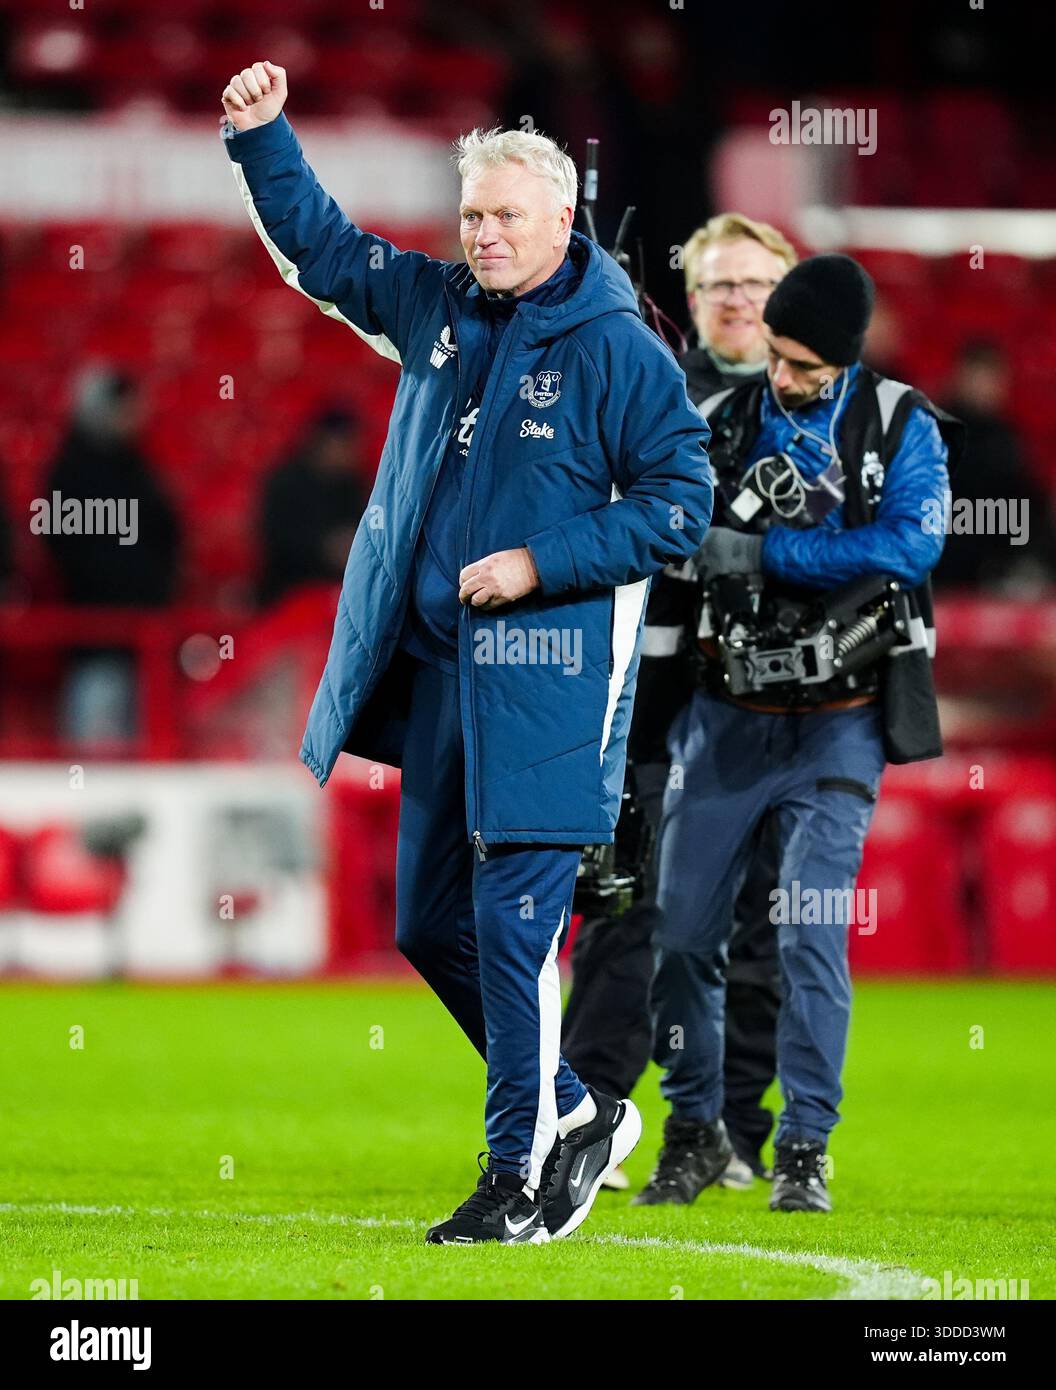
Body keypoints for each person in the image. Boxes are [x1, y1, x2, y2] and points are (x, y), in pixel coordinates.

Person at [220, 61, 713, 1245]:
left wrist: (542, 563)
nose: (484, 234)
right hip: (440, 680)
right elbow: (325, 255)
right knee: (426, 925)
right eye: (473, 216)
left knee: (507, 927)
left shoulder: (619, 348)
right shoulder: (439, 308)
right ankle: (580, 1111)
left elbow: (682, 502)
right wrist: (263, 140)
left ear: (561, 221)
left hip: (548, 690)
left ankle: (513, 1178)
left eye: (506, 216)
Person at [633, 254, 960, 1213]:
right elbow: (672, 543)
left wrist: (768, 550)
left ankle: (806, 1147)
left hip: (840, 728)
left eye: (807, 369)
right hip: (726, 719)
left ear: (848, 362)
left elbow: (912, 543)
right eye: (776, 357)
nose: (784, 379)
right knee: (684, 936)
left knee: (812, 935)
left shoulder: (901, 424)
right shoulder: (725, 424)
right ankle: (694, 1129)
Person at [562, 214, 796, 1190]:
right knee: (624, 904)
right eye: (717, 286)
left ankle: (737, 1127)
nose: (736, 300)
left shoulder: (822, 410)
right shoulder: (654, 392)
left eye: (754, 284)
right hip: (653, 696)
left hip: (781, 704)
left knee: (761, 923)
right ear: (689, 302)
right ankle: (593, 1112)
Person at [42, 367, 181, 744]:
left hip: (144, 643)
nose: (133, 416)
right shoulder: (70, 472)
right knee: (95, 761)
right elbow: (67, 551)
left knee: (145, 753)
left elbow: (165, 535)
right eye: (123, 407)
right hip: (95, 638)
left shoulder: (138, 468)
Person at [933, 338, 1056, 594]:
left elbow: (1024, 499)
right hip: (946, 553)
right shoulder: (935, 430)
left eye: (992, 378)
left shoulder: (1006, 436)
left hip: (996, 551)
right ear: (961, 376)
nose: (985, 387)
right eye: (978, 376)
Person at [257, 406, 369, 607]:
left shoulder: (352, 485)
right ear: (322, 442)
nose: (350, 452)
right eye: (343, 444)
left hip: (340, 589)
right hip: (289, 591)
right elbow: (276, 539)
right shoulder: (286, 482)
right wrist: (325, 548)